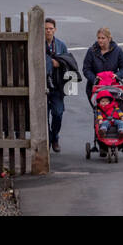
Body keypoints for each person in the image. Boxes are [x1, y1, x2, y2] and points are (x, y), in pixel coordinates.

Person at [45, 17, 81, 153]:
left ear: (55, 30)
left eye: (50, 29)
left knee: (58, 113)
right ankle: (48, 139)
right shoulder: (38, 43)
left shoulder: (61, 45)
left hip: (57, 87)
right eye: (46, 29)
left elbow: (69, 61)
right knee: (43, 117)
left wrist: (59, 62)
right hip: (42, 86)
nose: (48, 31)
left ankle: (55, 137)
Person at [82, 27, 123, 103]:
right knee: (98, 112)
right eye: (98, 38)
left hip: (112, 87)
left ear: (109, 39)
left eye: (103, 38)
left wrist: (117, 76)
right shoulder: (91, 51)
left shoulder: (118, 51)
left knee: (112, 111)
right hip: (95, 88)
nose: (100, 40)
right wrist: (95, 79)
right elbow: (86, 69)